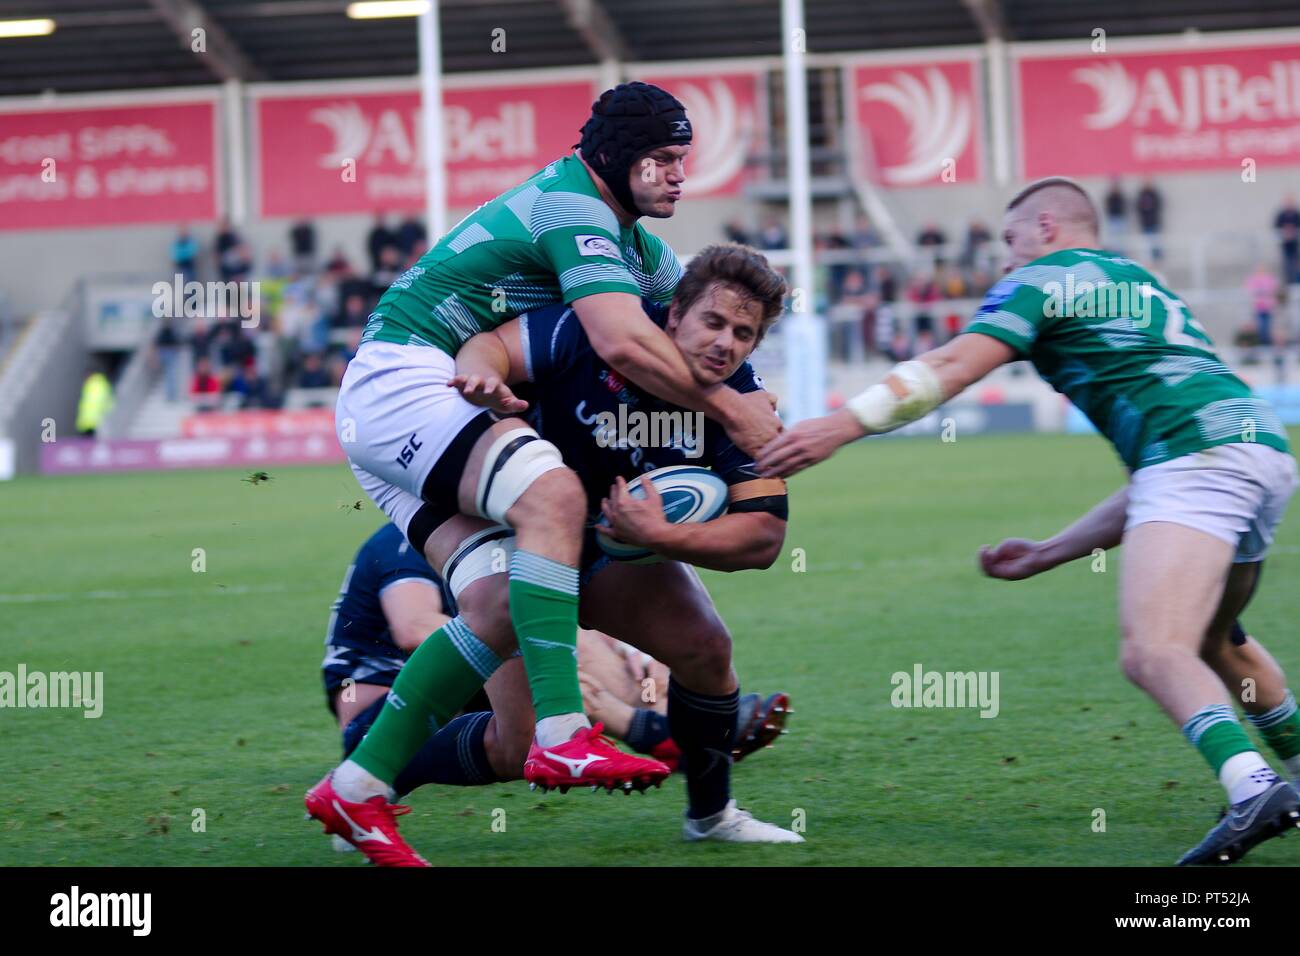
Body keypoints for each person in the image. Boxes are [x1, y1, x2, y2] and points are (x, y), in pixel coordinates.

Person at [757, 176, 1300, 865]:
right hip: (1257, 448)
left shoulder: (1042, 278)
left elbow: (952, 363)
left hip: (1196, 462)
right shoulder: (1136, 280)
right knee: (1219, 639)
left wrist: (840, 424)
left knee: (1154, 648)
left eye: (1009, 242)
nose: (1003, 260)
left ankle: (1253, 787)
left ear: (1046, 228)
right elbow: (1157, 487)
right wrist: (1049, 552)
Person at [305, 82, 781, 866]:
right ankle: (567, 737)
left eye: (680, 160)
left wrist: (762, 404)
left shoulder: (635, 245)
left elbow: (688, 314)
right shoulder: (573, 205)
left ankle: (356, 787)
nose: (676, 175)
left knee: (493, 607)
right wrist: (735, 416)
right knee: (553, 491)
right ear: (618, 157)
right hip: (405, 377)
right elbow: (624, 340)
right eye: (661, 159)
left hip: (406, 404)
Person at [436, 243, 801, 844]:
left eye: (744, 332)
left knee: (706, 648)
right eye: (713, 321)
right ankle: (370, 779)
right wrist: (483, 373)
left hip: (609, 549)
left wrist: (662, 535)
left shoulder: (742, 399)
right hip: (515, 536)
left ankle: (711, 817)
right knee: (517, 743)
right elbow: (493, 345)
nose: (725, 342)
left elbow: (763, 536)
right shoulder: (595, 329)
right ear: (674, 311)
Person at [319, 524, 790, 814]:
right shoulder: (403, 542)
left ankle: (678, 727)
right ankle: (656, 734)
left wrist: (638, 656)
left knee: (574, 645)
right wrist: (545, 659)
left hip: (463, 697)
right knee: (548, 662)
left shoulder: (501, 538)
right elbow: (415, 628)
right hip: (378, 713)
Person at [76, 364, 113, 437]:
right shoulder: (94, 385)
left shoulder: (98, 385)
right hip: (88, 423)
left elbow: (106, 403)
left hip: (95, 423)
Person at [1136, 178, 1163, 262]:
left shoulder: (1154, 194)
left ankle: (1157, 258)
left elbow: (1158, 204)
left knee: (1155, 240)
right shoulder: (1141, 194)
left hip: (1153, 221)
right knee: (1147, 242)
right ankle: (1149, 259)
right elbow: (1138, 206)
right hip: (1145, 222)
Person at [1274, 196, 1300, 285]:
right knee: (1287, 266)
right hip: (1285, 246)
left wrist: (1293, 231)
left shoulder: (1297, 214)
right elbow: (1276, 227)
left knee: (1296, 265)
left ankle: (1296, 283)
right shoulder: (1281, 215)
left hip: (1296, 245)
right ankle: (1289, 283)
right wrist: (1285, 232)